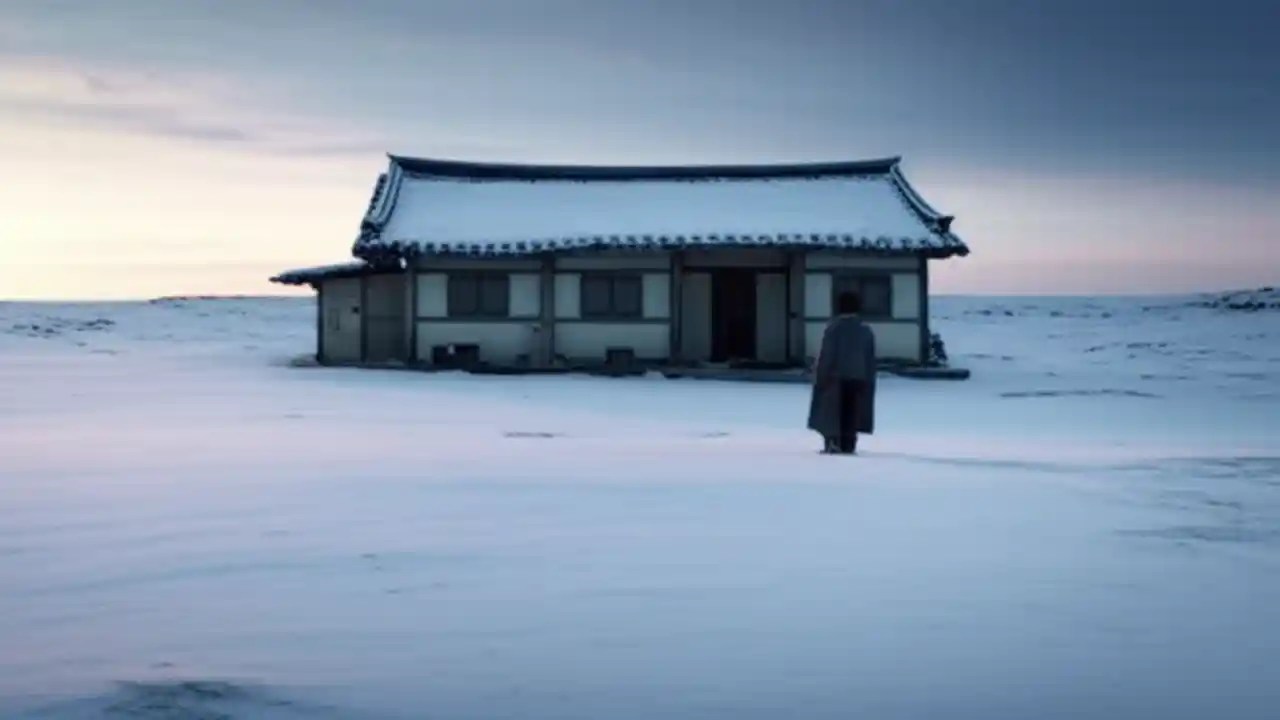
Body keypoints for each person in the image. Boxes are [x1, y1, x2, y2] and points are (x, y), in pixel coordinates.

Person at [807, 290, 877, 454]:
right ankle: (849, 443)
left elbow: (827, 355)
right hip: (859, 377)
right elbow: (870, 358)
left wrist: (820, 376)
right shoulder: (865, 330)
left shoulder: (834, 329)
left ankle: (833, 442)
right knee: (852, 412)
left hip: (836, 377)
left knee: (832, 412)